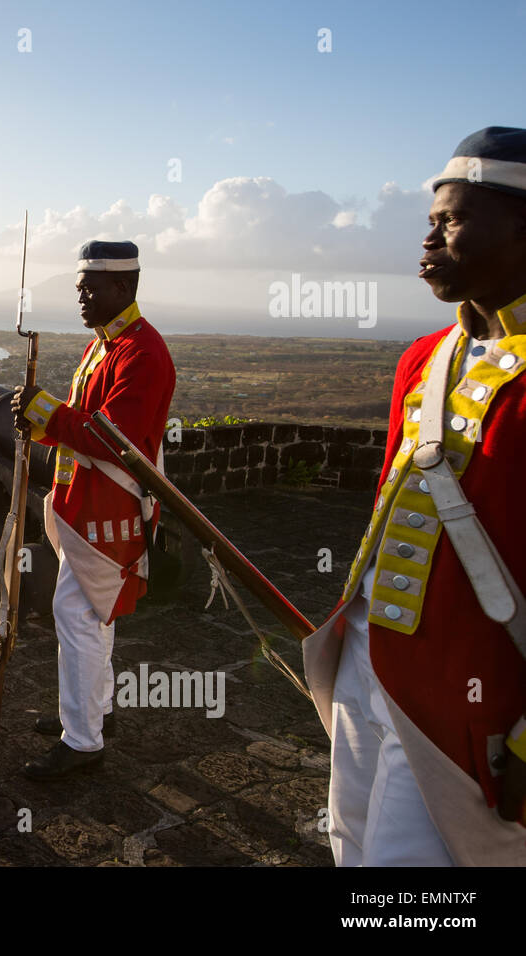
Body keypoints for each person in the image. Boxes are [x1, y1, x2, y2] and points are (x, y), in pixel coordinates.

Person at [303, 127, 526, 865]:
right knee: (349, 843)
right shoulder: (422, 360)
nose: (429, 238)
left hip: (467, 699)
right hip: (368, 661)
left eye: (452, 220)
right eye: (431, 221)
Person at [12, 240, 176, 779]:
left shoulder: (142, 353)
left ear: (122, 288)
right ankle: (92, 713)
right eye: (79, 287)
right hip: (83, 501)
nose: (80, 296)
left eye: (90, 288)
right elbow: (82, 420)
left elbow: (109, 439)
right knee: (96, 613)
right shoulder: (107, 344)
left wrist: (42, 412)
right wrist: (42, 417)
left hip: (107, 505)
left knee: (78, 614)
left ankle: (82, 740)